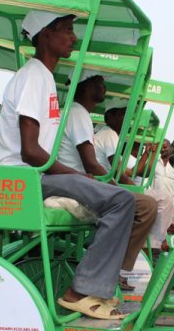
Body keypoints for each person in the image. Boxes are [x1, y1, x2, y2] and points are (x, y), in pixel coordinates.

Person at [0, 10, 136, 319]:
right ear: (46, 34)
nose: (74, 37)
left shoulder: (43, 77)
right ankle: (81, 291)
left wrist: (83, 177)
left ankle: (95, 285)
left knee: (117, 197)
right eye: (67, 30)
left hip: (36, 176)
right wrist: (80, 175)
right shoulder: (34, 76)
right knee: (121, 200)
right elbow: (30, 152)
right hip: (25, 179)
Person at [56, 78, 158, 287]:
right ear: (84, 85)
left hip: (80, 182)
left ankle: (108, 268)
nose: (104, 86)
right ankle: (104, 270)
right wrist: (116, 187)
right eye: (98, 81)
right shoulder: (78, 114)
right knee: (143, 205)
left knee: (142, 203)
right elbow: (92, 164)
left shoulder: (80, 114)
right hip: (74, 183)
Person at [91, 97, 173, 261]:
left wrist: (147, 154)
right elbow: (122, 175)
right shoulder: (110, 135)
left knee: (159, 199)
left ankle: (147, 247)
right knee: (162, 199)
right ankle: (146, 248)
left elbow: (131, 172)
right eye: (123, 114)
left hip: (108, 188)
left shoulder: (108, 135)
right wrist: (140, 191)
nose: (128, 119)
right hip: (107, 190)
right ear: (111, 116)